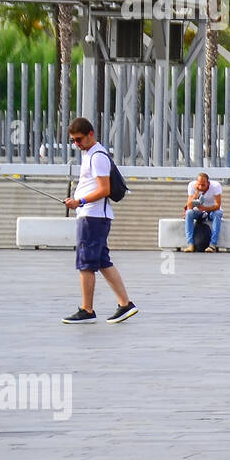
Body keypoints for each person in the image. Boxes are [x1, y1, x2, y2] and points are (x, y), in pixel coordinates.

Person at [62, 118, 138, 324]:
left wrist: (80, 201)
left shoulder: (97, 156)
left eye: (79, 139)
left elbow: (104, 189)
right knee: (103, 261)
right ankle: (125, 304)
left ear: (90, 134)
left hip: (93, 217)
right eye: (73, 141)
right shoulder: (89, 154)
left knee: (86, 264)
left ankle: (87, 310)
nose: (76, 144)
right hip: (91, 215)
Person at [182, 171, 223, 252]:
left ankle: (212, 244)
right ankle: (190, 244)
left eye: (203, 185)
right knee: (189, 213)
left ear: (208, 183)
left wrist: (205, 208)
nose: (201, 187)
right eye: (199, 184)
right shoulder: (192, 185)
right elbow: (189, 206)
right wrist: (196, 192)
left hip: (212, 210)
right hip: (199, 210)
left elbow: (217, 206)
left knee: (218, 214)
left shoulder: (215, 186)